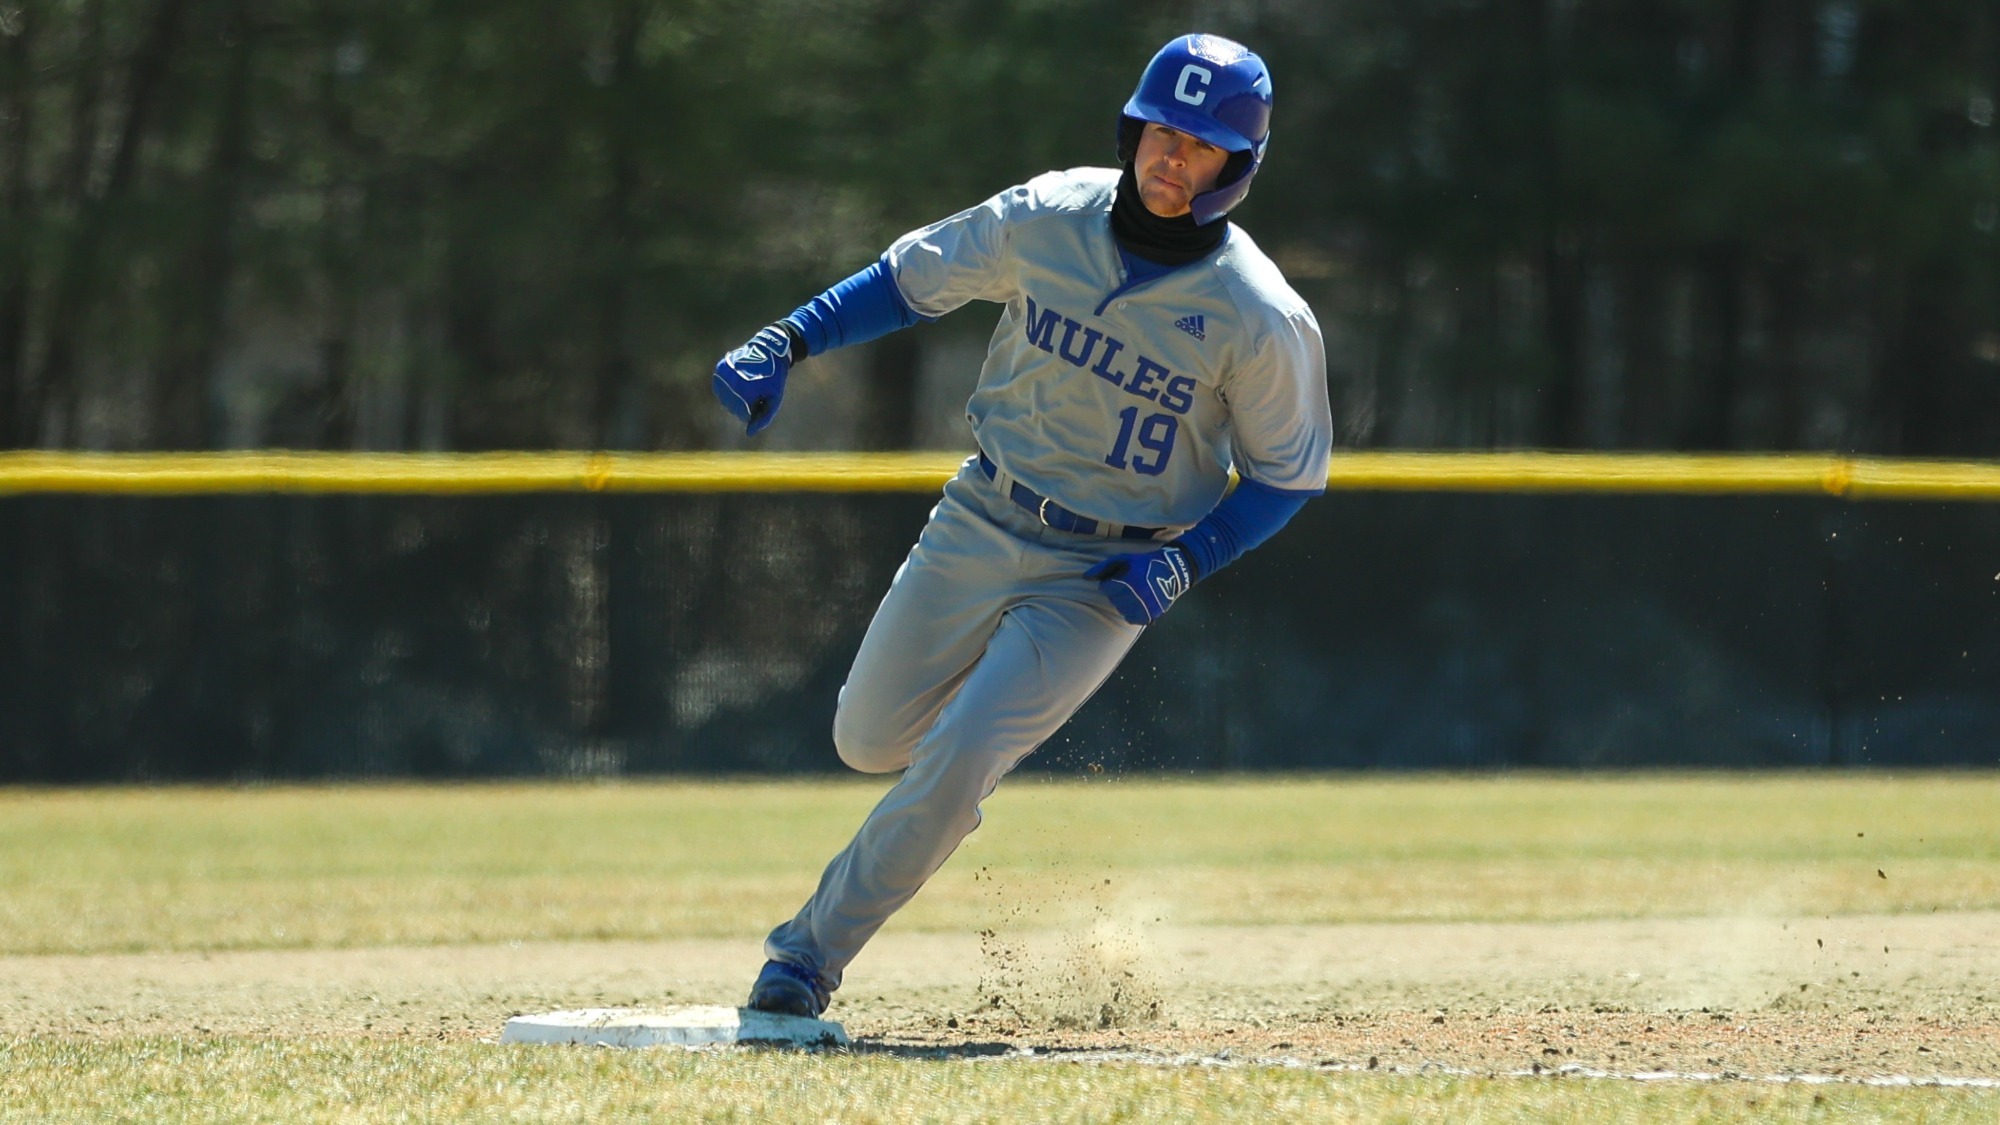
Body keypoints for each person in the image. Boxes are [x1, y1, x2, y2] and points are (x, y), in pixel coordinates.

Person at [710, 33, 1331, 1019]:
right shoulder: (1049, 214)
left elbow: (1286, 476)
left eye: (1201, 145)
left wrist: (1187, 563)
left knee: (957, 760)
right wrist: (789, 338)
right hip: (982, 510)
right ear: (1133, 128)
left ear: (1237, 167)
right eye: (1161, 131)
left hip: (1101, 575)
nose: (1172, 158)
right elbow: (911, 278)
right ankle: (939, 797)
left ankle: (805, 960)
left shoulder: (1257, 314)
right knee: (865, 739)